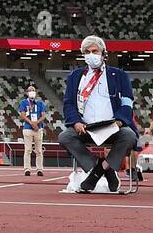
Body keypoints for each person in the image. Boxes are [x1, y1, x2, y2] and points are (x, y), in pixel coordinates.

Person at [58, 35, 137, 193]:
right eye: (87, 52)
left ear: (103, 53)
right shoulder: (76, 76)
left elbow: (127, 101)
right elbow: (68, 104)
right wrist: (76, 123)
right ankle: (101, 168)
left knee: (128, 135)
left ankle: (98, 172)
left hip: (112, 127)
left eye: (94, 51)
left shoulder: (119, 75)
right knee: (65, 136)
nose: (91, 54)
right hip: (86, 128)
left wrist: (120, 122)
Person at [17, 83, 46, 176]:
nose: (31, 92)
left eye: (33, 90)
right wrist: (31, 122)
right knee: (28, 149)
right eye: (30, 90)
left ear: (36, 92)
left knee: (39, 150)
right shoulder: (24, 102)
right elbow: (22, 114)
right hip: (28, 128)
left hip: (38, 128)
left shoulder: (40, 103)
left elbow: (43, 115)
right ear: (27, 93)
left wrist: (36, 122)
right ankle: (27, 169)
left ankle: (39, 169)